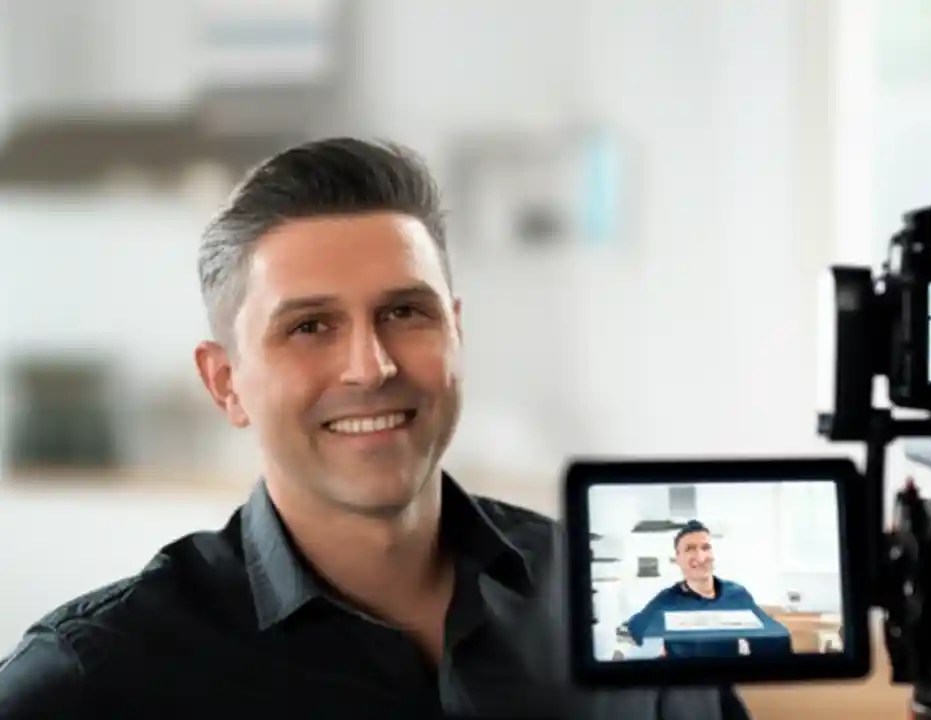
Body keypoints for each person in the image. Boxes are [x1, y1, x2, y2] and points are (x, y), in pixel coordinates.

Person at [0, 138, 749, 719]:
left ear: (455, 331)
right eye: (310, 326)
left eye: (403, 312)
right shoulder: (95, 680)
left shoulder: (619, 600)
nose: (371, 365)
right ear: (226, 382)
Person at [624, 521, 782, 658]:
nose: (700, 557)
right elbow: (629, 632)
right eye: (690, 549)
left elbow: (774, 642)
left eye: (706, 547)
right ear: (677, 558)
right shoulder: (667, 599)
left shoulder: (736, 594)